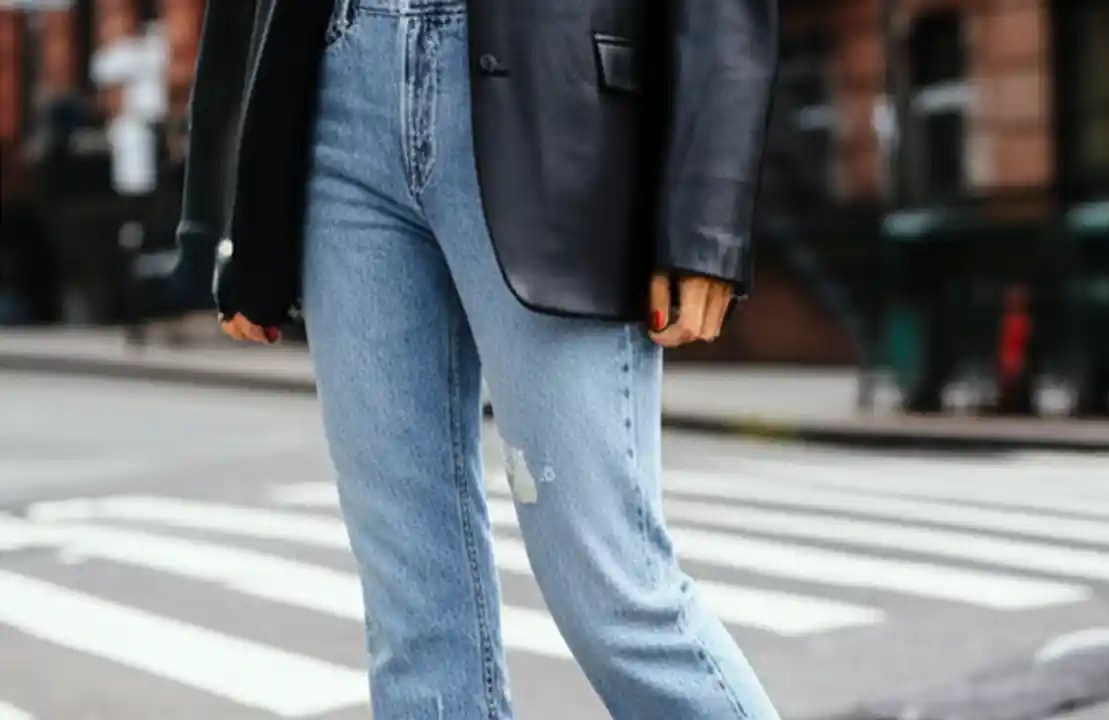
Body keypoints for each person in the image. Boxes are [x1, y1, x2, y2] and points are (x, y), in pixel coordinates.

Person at [178, 0, 779, 717]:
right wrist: (228, 219)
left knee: (616, 600)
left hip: (557, 112)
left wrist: (704, 210)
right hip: (337, 99)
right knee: (415, 626)